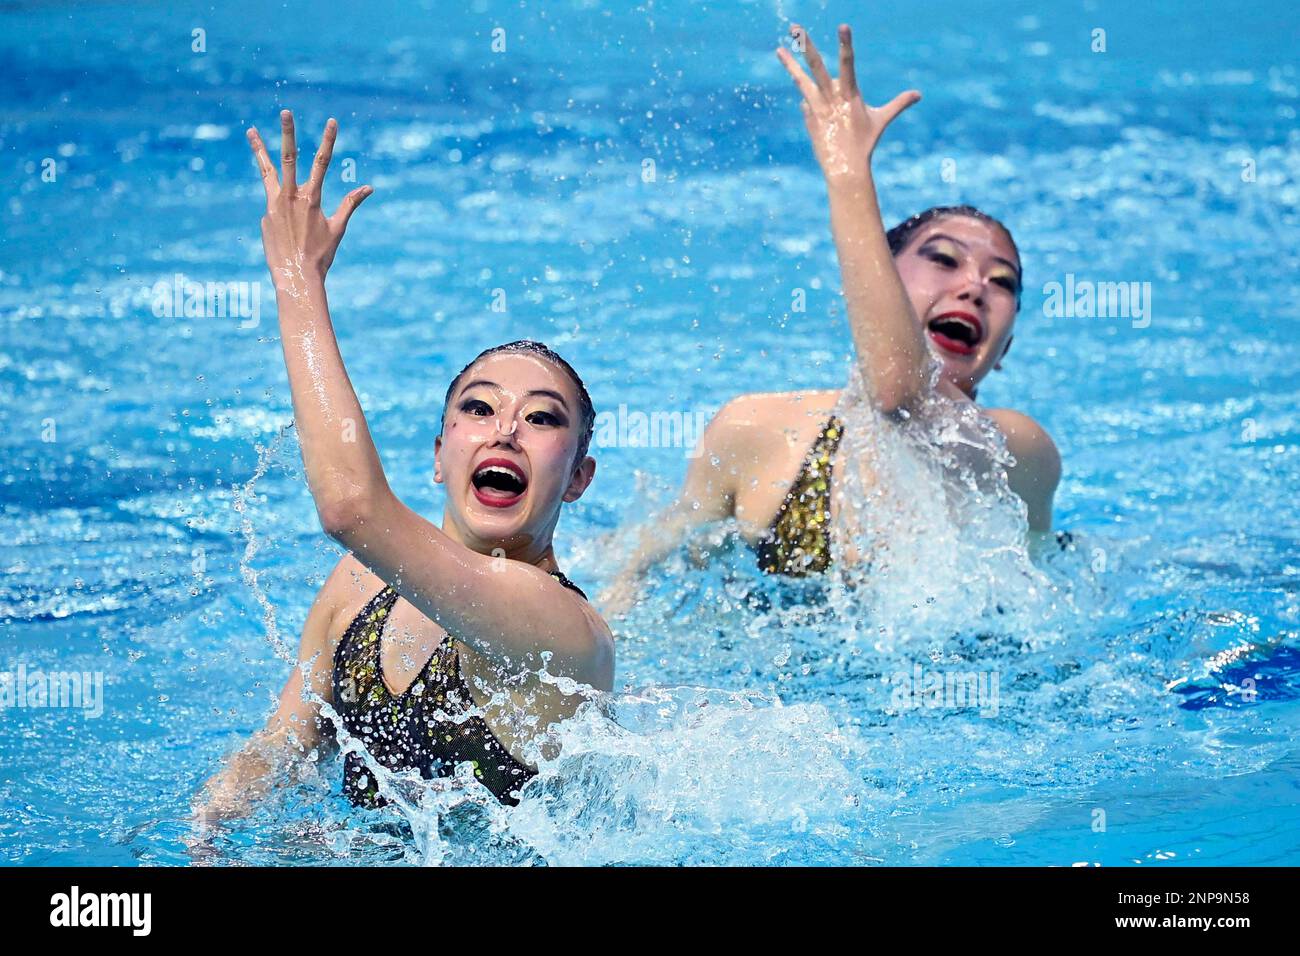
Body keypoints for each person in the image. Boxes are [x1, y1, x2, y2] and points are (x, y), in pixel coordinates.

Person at [193, 112, 613, 823]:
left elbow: (350, 506)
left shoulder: (562, 629)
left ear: (577, 478)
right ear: (439, 456)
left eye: (542, 419)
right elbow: (286, 745)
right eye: (479, 409)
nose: (506, 428)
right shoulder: (360, 583)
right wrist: (213, 820)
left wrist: (298, 280)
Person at [600, 24, 1060, 609]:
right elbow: (648, 570)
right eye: (944, 260)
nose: (974, 286)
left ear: (1006, 348)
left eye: (1002, 284)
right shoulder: (755, 430)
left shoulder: (1020, 451)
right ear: (880, 282)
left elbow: (900, 394)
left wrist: (848, 174)